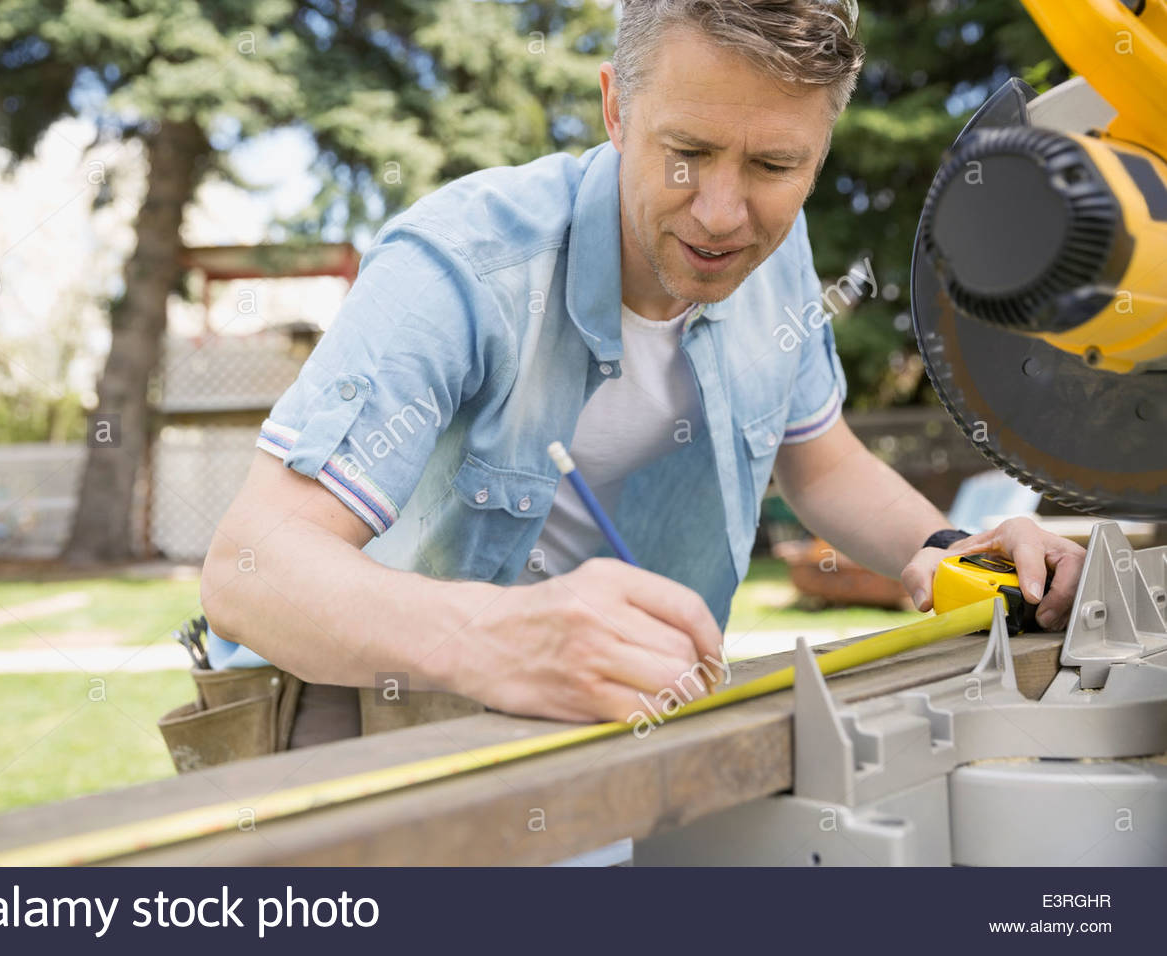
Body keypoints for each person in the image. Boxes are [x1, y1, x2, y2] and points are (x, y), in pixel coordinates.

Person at [200, 0, 1085, 746]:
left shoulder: (774, 258)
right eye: (687, 153)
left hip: (625, 721)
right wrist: (503, 640)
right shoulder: (457, 267)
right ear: (616, 108)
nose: (723, 213)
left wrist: (947, 553)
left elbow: (821, 461)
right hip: (362, 710)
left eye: (776, 165)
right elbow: (248, 568)